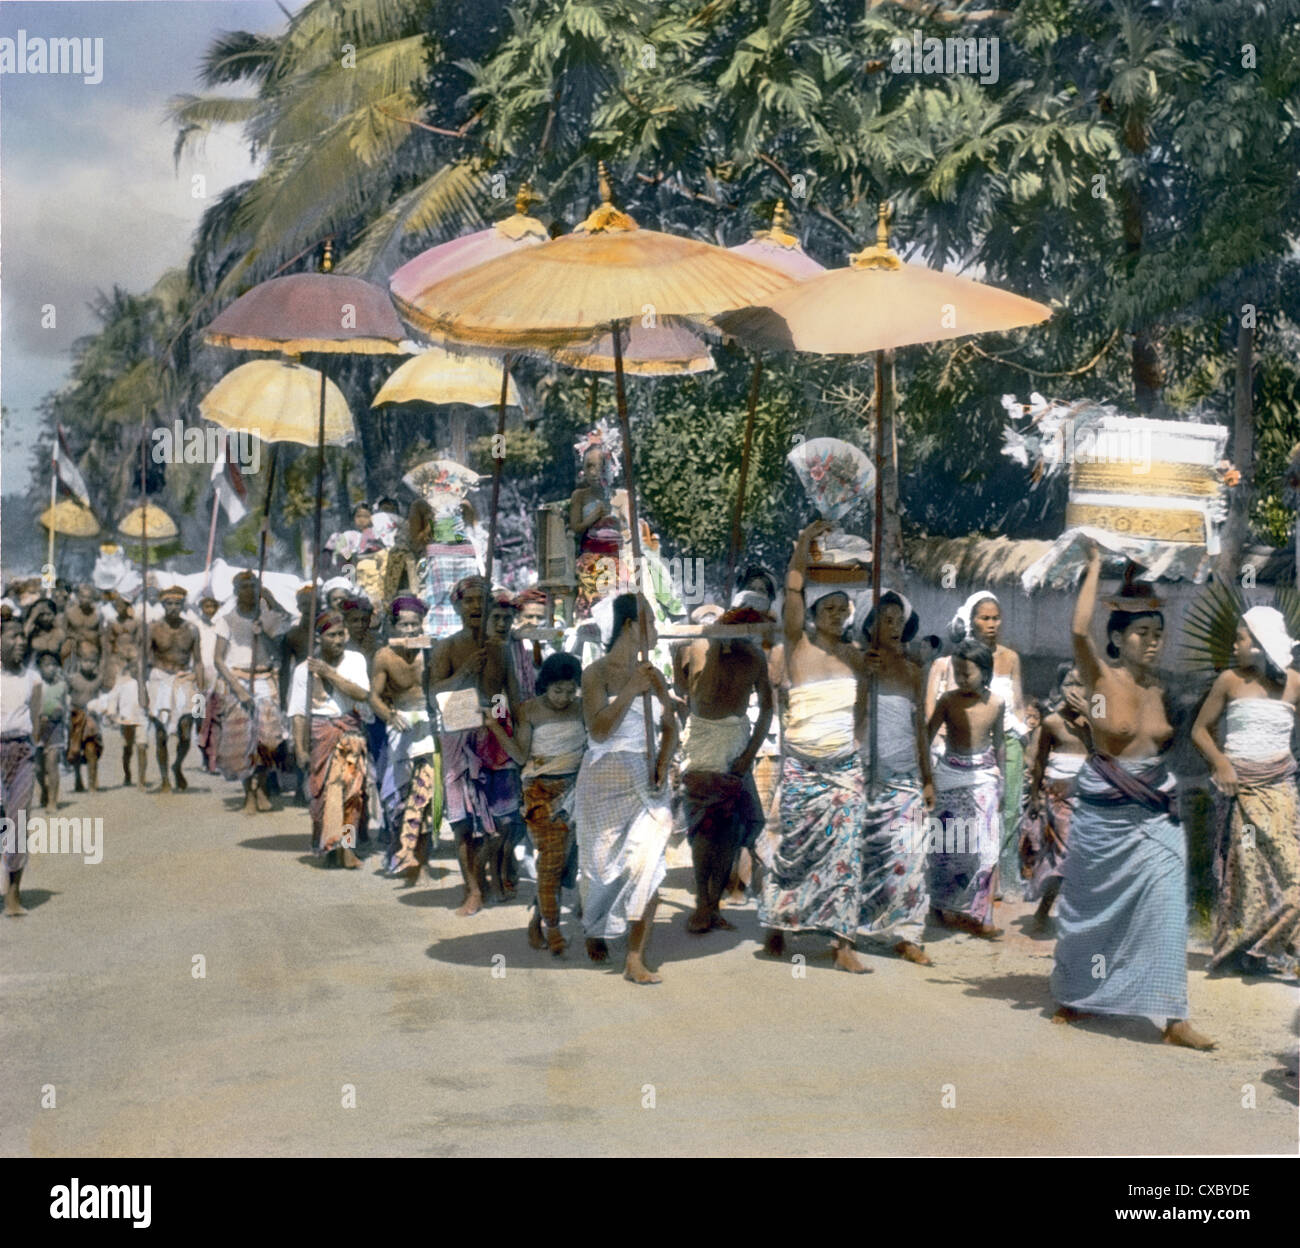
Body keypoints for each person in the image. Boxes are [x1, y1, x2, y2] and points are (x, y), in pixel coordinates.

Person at [1051, 546, 1214, 1049]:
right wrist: (1096, 564)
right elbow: (1079, 631)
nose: (1152, 643)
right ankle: (1077, 993)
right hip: (1104, 811)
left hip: (1156, 811)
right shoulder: (1101, 678)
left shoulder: (1163, 690)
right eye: (1142, 634)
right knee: (1090, 910)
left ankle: (1173, 1017)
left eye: (1158, 635)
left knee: (1167, 907)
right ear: (1118, 638)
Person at [759, 520, 872, 974]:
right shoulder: (796, 645)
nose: (837, 612)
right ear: (815, 609)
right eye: (829, 606)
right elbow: (790, 594)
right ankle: (780, 919)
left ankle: (842, 942)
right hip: (801, 771)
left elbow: (862, 710)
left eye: (843, 607)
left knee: (846, 852)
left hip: (843, 769)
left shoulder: (856, 654)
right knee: (794, 853)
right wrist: (803, 544)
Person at [573, 593, 678, 983]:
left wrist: (664, 762)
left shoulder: (654, 673)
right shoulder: (596, 673)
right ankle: (595, 925)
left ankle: (635, 956)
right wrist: (632, 689)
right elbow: (599, 730)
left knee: (647, 865)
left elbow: (671, 728)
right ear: (631, 624)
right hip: (604, 778)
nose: (655, 627)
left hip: (647, 782)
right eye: (650, 618)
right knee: (600, 871)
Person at [1191, 606, 1300, 977]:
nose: (1235, 647)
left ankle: (1272, 945)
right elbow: (1200, 731)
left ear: (1262, 644)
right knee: (1248, 873)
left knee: (1293, 876)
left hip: (1280, 791)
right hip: (1241, 794)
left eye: (1240, 639)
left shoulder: (1294, 683)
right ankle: (1248, 953)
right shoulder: (1229, 681)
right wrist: (1220, 763)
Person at [675, 605, 772, 935]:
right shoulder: (703, 646)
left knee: (731, 829)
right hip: (703, 743)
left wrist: (749, 753)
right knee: (704, 830)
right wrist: (716, 646)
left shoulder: (756, 657)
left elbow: (768, 711)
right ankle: (703, 902)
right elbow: (695, 695)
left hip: (737, 744)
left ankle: (712, 904)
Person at [429, 578, 521, 914]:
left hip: (493, 740)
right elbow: (434, 693)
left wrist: (502, 726)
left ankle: (495, 873)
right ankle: (473, 889)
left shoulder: (501, 648)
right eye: (467, 601)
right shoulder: (447, 648)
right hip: (458, 739)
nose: (474, 608)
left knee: (503, 822)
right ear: (456, 606)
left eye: (480, 601)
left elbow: (506, 696)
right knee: (464, 824)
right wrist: (465, 673)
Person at [927, 590, 1027, 897]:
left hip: (1007, 742)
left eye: (996, 618)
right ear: (971, 620)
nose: (992, 624)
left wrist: (1027, 745)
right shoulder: (952, 663)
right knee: (958, 819)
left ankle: (996, 884)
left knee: (1005, 811)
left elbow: (1019, 704)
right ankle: (958, 884)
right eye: (985, 618)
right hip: (960, 750)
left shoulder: (1010, 658)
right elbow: (935, 711)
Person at [485, 652, 587, 955]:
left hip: (577, 791)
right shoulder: (528, 711)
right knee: (552, 861)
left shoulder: (582, 708)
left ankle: (536, 920)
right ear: (545, 686)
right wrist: (494, 727)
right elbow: (519, 756)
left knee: (566, 864)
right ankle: (554, 928)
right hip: (541, 793)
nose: (564, 697)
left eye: (571, 691)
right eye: (558, 691)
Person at [857, 590, 935, 965]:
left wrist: (928, 777)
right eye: (884, 620)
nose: (892, 627)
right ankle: (863, 927)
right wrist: (862, 679)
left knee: (911, 854)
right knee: (868, 853)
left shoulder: (913, 671)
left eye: (898, 621)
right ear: (869, 625)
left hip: (905, 776)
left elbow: (918, 725)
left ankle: (908, 933)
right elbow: (852, 721)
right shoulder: (858, 664)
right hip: (866, 774)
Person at [926, 638, 1005, 937]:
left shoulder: (996, 703)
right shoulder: (947, 701)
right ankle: (938, 904)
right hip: (949, 773)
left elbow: (999, 743)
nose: (961, 679)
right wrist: (926, 777)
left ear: (985, 672)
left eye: (967, 673)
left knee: (988, 847)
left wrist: (1003, 784)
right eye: (956, 673)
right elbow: (927, 734)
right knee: (945, 845)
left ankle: (984, 915)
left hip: (984, 776)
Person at [290, 611, 372, 868]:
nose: (339, 640)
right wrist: (300, 749)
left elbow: (360, 694)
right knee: (324, 796)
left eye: (342, 634)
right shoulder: (304, 671)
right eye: (332, 635)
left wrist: (328, 673)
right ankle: (328, 845)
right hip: (320, 734)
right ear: (319, 638)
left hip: (350, 733)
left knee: (352, 796)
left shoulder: (355, 660)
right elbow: (298, 714)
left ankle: (347, 848)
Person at [371, 596, 438, 880]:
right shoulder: (384, 656)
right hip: (400, 724)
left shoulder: (431, 651)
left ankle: (420, 861)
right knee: (398, 798)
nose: (410, 631)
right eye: (404, 624)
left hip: (429, 725)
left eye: (414, 624)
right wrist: (388, 715)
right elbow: (373, 697)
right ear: (395, 625)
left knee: (426, 795)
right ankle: (398, 851)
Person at [212, 571, 290, 813]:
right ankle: (249, 793)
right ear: (236, 591)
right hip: (239, 680)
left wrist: (263, 631)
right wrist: (237, 689)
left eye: (253, 586)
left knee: (267, 739)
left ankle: (263, 786)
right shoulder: (226, 619)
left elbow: (280, 642)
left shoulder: (267, 617)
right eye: (244, 587)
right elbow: (218, 659)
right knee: (243, 739)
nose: (249, 591)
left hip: (265, 678)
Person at [1022, 665, 1090, 932]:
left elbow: (1107, 748)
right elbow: (1039, 762)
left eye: (1081, 684)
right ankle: (1047, 910)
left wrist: (1090, 714)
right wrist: (1037, 795)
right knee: (1064, 855)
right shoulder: (1052, 722)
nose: (1075, 691)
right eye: (1069, 684)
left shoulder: (1096, 720)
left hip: (1089, 796)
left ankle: (1056, 911)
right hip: (1059, 796)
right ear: (1059, 689)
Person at [1, 625, 42, 916]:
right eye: (12, 636)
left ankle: (13, 896)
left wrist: (33, 750)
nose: (19, 641)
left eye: (21, 636)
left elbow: (36, 718)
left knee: (17, 822)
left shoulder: (32, 679)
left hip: (22, 752)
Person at [147, 586, 204, 793]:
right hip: (159, 679)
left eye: (177, 604)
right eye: (169, 603)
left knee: (186, 734)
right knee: (161, 735)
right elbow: (142, 661)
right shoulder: (153, 628)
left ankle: (177, 765)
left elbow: (198, 662)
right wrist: (141, 693)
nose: (173, 607)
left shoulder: (191, 629)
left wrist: (201, 693)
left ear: (182, 605)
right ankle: (164, 779)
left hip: (184, 679)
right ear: (163, 605)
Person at [569, 427, 629, 618]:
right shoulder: (580, 496)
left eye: (600, 466)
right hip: (591, 555)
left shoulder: (620, 497)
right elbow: (575, 527)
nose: (594, 472)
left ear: (611, 468)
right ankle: (592, 614)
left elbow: (629, 529)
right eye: (589, 466)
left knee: (628, 575)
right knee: (597, 575)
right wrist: (594, 516)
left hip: (617, 555)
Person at [103, 594, 148, 788]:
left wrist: (139, 661)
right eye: (116, 604)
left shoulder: (136, 622)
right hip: (118, 662)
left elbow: (141, 642)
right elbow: (108, 645)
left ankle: (142, 779)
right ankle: (127, 774)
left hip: (134, 661)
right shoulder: (112, 623)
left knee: (141, 744)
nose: (118, 607)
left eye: (121, 604)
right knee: (126, 744)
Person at [65, 642, 107, 793]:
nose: (88, 665)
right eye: (85, 661)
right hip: (75, 717)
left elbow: (106, 696)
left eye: (92, 662)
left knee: (91, 749)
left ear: (96, 663)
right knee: (75, 750)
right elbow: (66, 696)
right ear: (79, 662)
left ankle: (92, 783)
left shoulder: (98, 679)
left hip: (92, 719)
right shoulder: (73, 678)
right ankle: (78, 779)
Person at [34, 650, 69, 811]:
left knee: (52, 764)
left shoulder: (61, 686)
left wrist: (59, 714)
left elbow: (65, 708)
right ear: (39, 667)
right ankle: (45, 789)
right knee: (39, 768)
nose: (51, 668)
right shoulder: (34, 684)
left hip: (55, 727)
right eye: (47, 665)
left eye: (54, 665)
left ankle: (53, 801)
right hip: (37, 727)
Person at [61, 583, 104, 663]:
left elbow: (101, 635)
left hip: (90, 646)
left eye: (89, 597)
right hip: (73, 645)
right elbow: (63, 631)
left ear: (92, 599)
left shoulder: (97, 615)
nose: (86, 600)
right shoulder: (70, 612)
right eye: (83, 596)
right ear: (78, 597)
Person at [24, 598, 66, 666]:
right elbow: (23, 638)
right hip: (31, 669)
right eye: (42, 615)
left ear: (54, 614)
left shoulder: (59, 632)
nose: (45, 618)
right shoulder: (31, 631)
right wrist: (32, 618)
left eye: (49, 614)